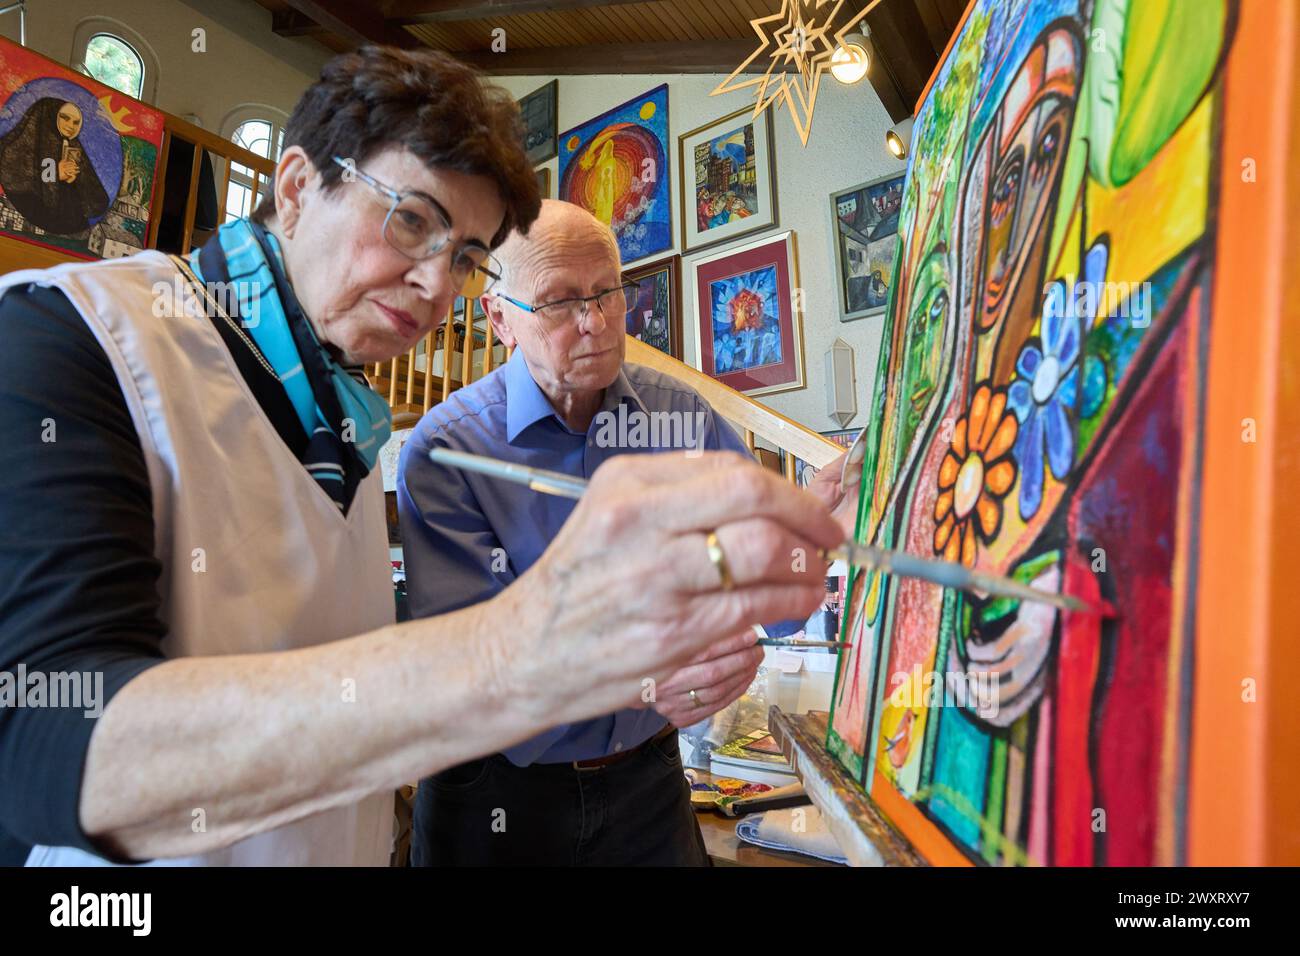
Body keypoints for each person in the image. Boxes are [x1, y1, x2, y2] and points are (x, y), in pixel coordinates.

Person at [0, 47, 844, 867]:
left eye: (466, 257)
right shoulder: (66, 335)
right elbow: (47, 743)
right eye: (412, 220)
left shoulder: (348, 425)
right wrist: (530, 648)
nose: (439, 287)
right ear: (294, 187)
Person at [399, 200, 783, 865]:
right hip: (494, 793)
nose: (596, 321)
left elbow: (759, 558)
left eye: (609, 291)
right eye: (558, 302)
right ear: (499, 321)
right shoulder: (446, 449)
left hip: (650, 782)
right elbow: (481, 663)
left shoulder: (681, 416)